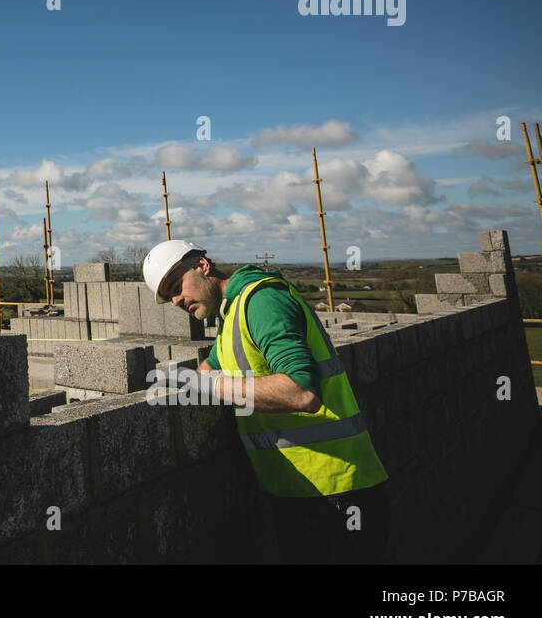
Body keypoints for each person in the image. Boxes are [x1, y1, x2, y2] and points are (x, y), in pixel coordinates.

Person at [143, 240, 390, 563]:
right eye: (168, 296)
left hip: (337, 491)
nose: (176, 300)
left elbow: (301, 392)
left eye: (177, 286)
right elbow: (205, 370)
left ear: (202, 266)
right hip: (297, 492)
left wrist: (214, 385)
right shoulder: (230, 317)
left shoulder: (260, 301)